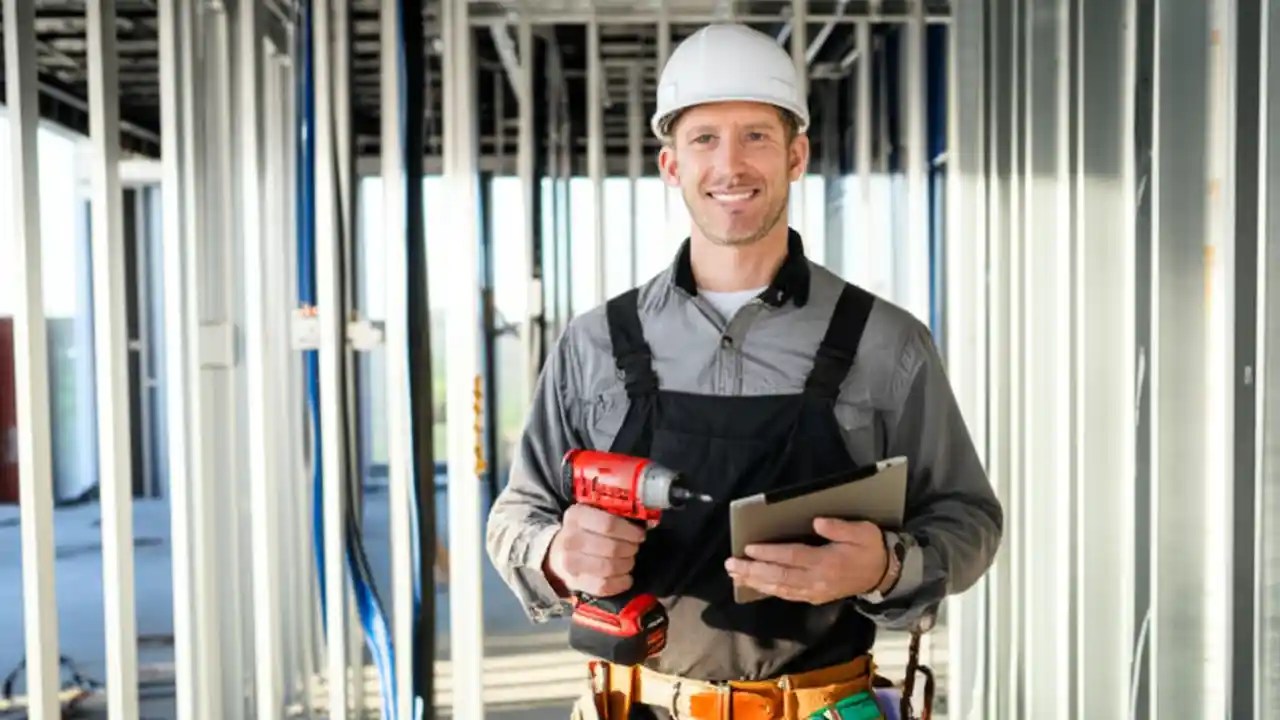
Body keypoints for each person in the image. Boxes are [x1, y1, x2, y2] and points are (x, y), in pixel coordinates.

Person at [485, 22, 1003, 720]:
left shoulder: (886, 342)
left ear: (796, 155)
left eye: (756, 135)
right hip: (636, 706)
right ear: (672, 165)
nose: (730, 165)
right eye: (704, 138)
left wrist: (883, 565)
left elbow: (969, 519)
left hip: (821, 705)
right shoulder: (596, 344)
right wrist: (556, 554)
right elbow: (516, 515)